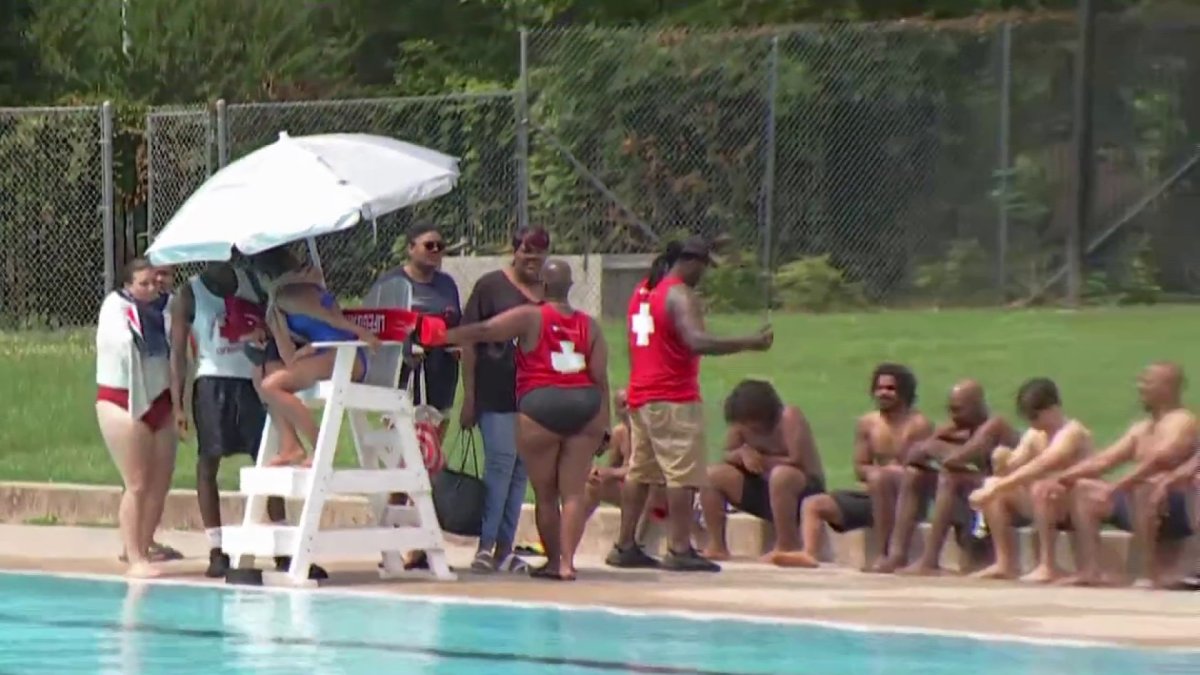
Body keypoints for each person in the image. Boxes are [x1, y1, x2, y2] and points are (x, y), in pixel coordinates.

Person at [606, 236, 773, 573]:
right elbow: (696, 341)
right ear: (692, 261)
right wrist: (750, 342)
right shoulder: (678, 294)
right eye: (704, 267)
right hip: (673, 397)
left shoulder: (643, 291)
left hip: (642, 395)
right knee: (681, 474)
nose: (704, 275)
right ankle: (679, 548)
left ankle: (625, 545)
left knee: (641, 472)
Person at [441, 259, 610, 581]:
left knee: (545, 494)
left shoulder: (532, 316)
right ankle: (567, 564)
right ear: (570, 287)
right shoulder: (590, 326)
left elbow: (485, 330)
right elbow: (600, 378)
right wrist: (605, 423)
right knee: (573, 493)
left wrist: (442, 335)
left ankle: (552, 561)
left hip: (541, 405)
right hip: (584, 405)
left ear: (542, 286)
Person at [168, 261, 287, 578]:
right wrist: (177, 404)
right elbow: (177, 352)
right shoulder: (190, 292)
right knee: (209, 461)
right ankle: (216, 548)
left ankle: (284, 548)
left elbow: (273, 323)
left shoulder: (253, 282)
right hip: (213, 382)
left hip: (252, 381)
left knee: (268, 461)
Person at [1054, 362, 1197, 588]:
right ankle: (1091, 571)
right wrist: (1062, 478)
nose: (1140, 387)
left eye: (1147, 382)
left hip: (1175, 507)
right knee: (1083, 489)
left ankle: (1148, 573)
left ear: (1168, 387)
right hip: (1135, 502)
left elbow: (1158, 460)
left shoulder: (1183, 421)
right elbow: (1104, 460)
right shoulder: (1141, 428)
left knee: (1144, 486)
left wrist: (1119, 486)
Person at [459, 226, 550, 574]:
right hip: (495, 392)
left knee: (520, 472)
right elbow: (469, 341)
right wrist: (470, 396)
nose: (533, 258)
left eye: (539, 252)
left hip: (535, 397)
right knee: (499, 466)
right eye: (527, 251)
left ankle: (504, 550)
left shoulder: (548, 291)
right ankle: (485, 547)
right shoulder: (491, 287)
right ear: (514, 251)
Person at [372, 222, 462, 570]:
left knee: (429, 463)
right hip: (405, 381)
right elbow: (375, 327)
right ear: (411, 248)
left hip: (441, 379)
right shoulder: (392, 284)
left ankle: (422, 547)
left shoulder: (447, 285)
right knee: (403, 464)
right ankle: (392, 544)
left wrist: (454, 343)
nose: (436, 252)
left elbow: (455, 324)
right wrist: (406, 345)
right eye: (429, 245)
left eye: (440, 246)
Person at [247, 245, 381, 468]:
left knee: (271, 386)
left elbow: (332, 319)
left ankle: (321, 445)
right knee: (261, 378)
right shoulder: (284, 298)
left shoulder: (291, 294)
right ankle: (290, 445)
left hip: (345, 357)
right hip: (327, 355)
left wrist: (363, 333)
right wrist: (300, 349)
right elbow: (288, 355)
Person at [789, 363, 932, 569]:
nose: (883, 393)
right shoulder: (868, 424)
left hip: (905, 502)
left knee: (881, 479)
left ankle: (884, 555)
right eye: (879, 388)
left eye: (890, 389)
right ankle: (808, 554)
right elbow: (860, 467)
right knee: (813, 503)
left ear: (904, 392)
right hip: (872, 497)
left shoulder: (918, 425)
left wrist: (885, 475)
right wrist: (876, 474)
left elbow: (917, 471)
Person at [883, 380, 1021, 575]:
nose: (953, 416)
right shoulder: (959, 429)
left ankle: (929, 560)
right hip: (975, 497)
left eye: (958, 410)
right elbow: (911, 457)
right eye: (950, 409)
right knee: (914, 474)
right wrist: (937, 437)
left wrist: (935, 446)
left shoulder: (995, 425)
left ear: (977, 406)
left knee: (950, 477)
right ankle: (897, 554)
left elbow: (958, 458)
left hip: (1007, 499)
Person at [95, 258, 177, 578]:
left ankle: (143, 546)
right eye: (143, 284)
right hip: (122, 400)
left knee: (160, 483)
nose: (151, 288)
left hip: (161, 400)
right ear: (128, 285)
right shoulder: (115, 306)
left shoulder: (169, 307)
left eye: (155, 282)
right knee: (138, 483)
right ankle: (133, 556)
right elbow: (124, 343)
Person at [968, 377, 1093, 581]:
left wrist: (997, 487)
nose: (1032, 422)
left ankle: (1048, 565)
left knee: (1041, 488)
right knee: (992, 484)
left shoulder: (1071, 432)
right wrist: (1002, 460)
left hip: (1074, 503)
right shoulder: (1035, 434)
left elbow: (1043, 464)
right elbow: (1016, 464)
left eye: (1035, 416)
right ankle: (1003, 563)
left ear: (1052, 408)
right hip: (1043, 503)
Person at [699, 379, 824, 566]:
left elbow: (798, 460)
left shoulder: (789, 417)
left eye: (751, 422)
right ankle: (717, 545)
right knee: (711, 475)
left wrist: (761, 461)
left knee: (781, 476)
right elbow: (727, 454)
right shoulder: (740, 426)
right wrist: (741, 454)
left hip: (800, 491)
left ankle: (786, 545)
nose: (748, 428)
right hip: (761, 490)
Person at [573, 389, 667, 551]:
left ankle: (633, 543)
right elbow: (613, 469)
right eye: (624, 405)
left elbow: (649, 471)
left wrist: (610, 473)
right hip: (631, 491)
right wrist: (598, 473)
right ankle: (567, 539)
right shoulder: (620, 433)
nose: (629, 408)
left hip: (658, 495)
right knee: (595, 485)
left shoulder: (653, 433)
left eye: (632, 403)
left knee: (648, 487)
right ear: (617, 413)